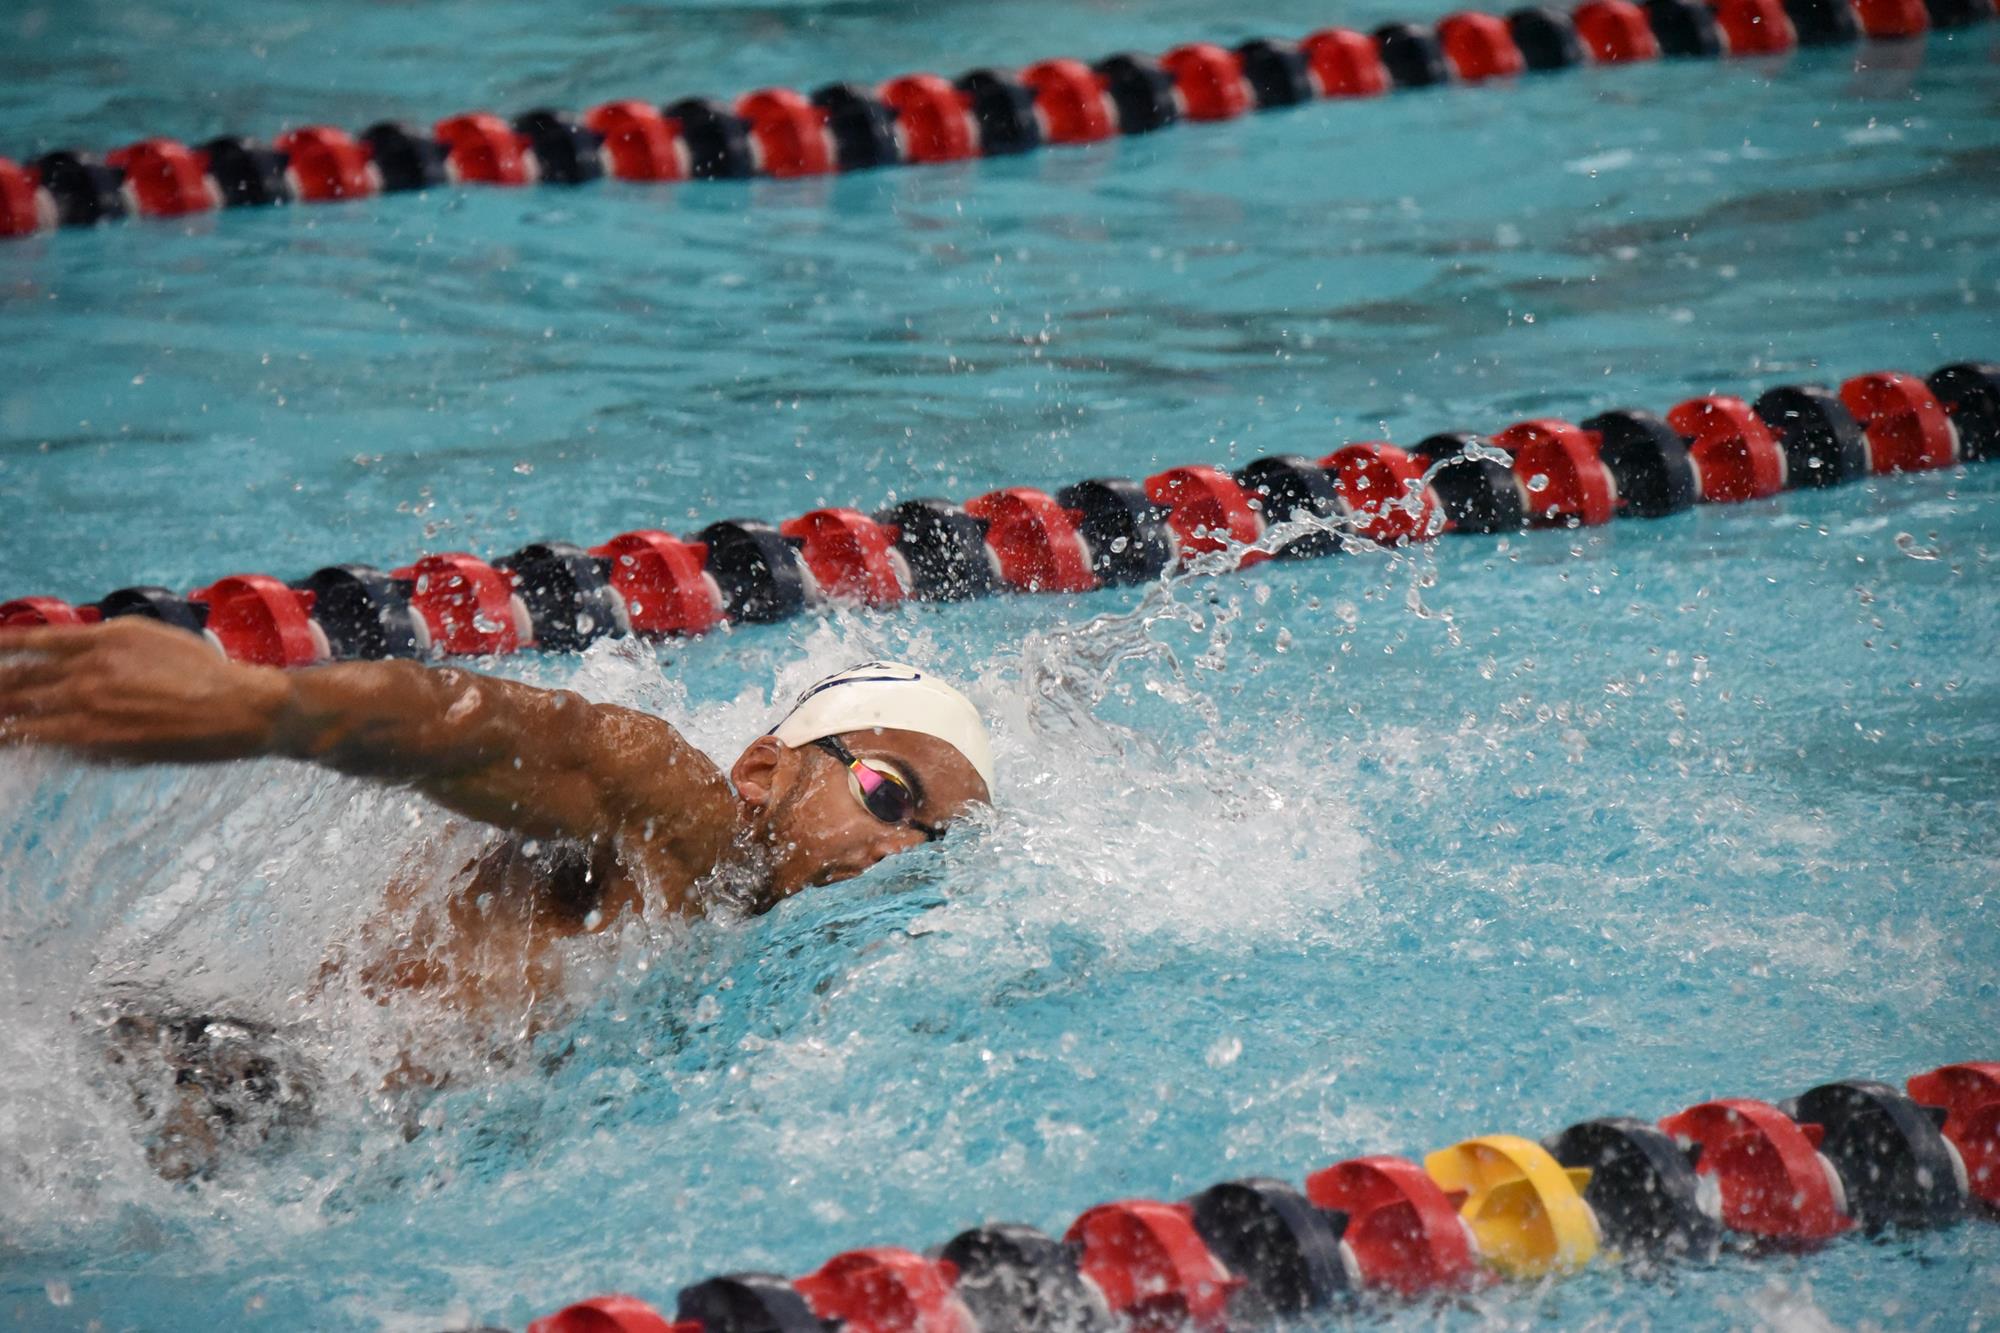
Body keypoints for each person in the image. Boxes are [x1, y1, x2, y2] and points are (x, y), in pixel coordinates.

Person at [0, 618, 994, 1173]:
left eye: (929, 838)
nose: (892, 848)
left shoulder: (769, 945)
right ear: (762, 770)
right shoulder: (685, 823)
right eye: (884, 793)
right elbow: (519, 734)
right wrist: (264, 705)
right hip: (230, 1087)